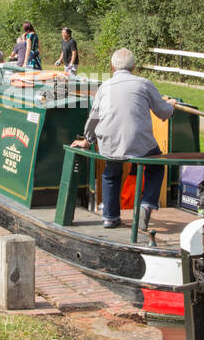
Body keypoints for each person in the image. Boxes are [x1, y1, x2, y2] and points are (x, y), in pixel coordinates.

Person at [71, 48, 177, 230]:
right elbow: (163, 113)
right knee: (157, 166)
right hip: (141, 144)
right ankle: (147, 204)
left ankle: (110, 217)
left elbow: (93, 119)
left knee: (111, 173)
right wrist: (171, 105)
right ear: (134, 67)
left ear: (112, 68)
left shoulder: (104, 88)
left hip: (110, 144)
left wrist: (88, 141)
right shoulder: (144, 84)